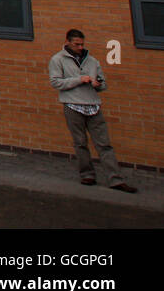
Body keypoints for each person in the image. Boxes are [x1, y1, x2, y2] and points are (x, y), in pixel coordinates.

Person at [48, 28, 137, 192]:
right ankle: (87, 175)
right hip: (72, 105)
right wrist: (79, 80)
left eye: (82, 44)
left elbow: (103, 84)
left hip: (93, 105)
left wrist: (98, 84)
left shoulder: (92, 61)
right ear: (67, 42)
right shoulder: (58, 59)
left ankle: (115, 179)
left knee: (104, 144)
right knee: (80, 142)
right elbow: (55, 83)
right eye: (76, 44)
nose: (80, 47)